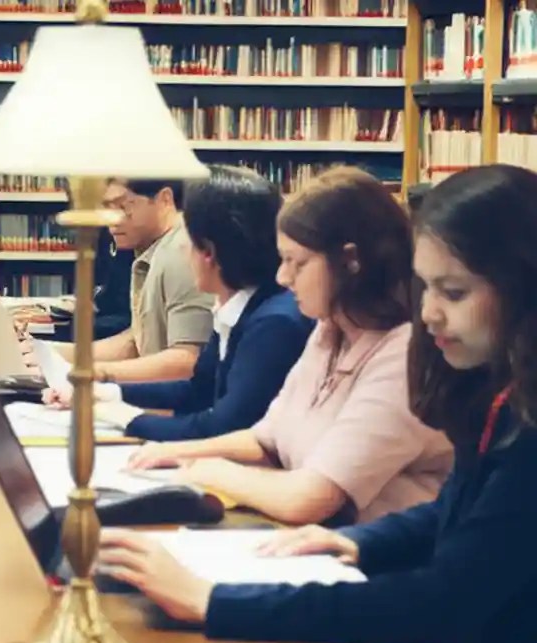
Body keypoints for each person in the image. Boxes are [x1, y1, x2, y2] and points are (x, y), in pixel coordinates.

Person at [98, 164, 537, 643]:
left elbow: (444, 601)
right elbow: (457, 511)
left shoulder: (522, 427)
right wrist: (359, 541)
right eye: (426, 288)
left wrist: (214, 602)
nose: (428, 314)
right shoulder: (499, 395)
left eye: (452, 291)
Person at [124, 167, 452, 525]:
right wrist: (173, 452)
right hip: (315, 540)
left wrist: (209, 470)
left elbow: (308, 499)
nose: (282, 277)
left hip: (373, 563)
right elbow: (266, 440)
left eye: (297, 262)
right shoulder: (330, 331)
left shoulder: (402, 357)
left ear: (350, 261)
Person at [44, 166, 314, 441]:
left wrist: (117, 414)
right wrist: (104, 392)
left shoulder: (273, 325)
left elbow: (220, 427)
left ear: (209, 252)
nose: (184, 248)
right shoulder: (241, 309)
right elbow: (197, 390)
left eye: (191, 238)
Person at [46, 178, 215, 383]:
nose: (112, 220)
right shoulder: (156, 249)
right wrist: (49, 353)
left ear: (165, 199)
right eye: (106, 208)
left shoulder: (181, 252)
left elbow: (188, 360)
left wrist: (90, 375)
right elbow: (136, 341)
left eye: (123, 206)